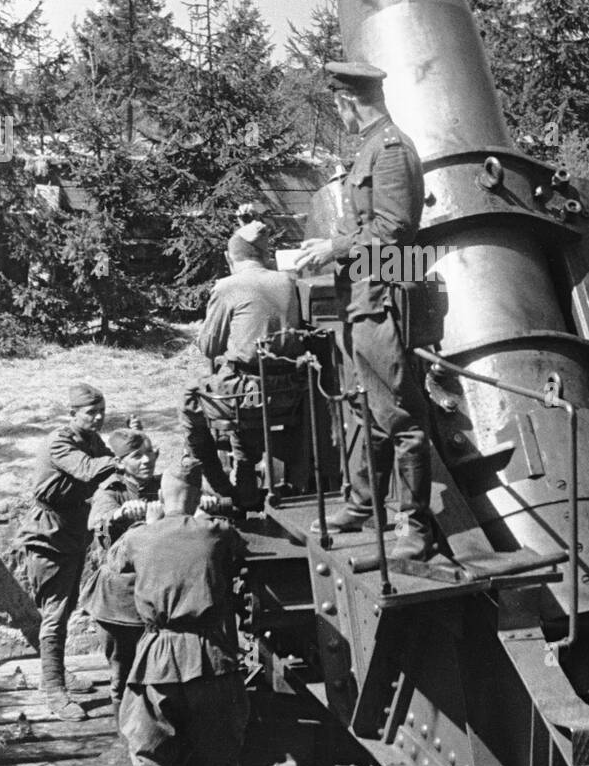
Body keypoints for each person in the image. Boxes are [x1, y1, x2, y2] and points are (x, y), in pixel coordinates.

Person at [295, 60, 434, 560]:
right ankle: (363, 503)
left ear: (348, 101)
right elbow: (367, 226)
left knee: (399, 417)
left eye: (339, 108)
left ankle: (415, 529)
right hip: (363, 298)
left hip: (381, 299)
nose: (341, 118)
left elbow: (395, 232)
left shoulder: (391, 149)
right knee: (367, 408)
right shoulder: (372, 148)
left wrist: (334, 249)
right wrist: (332, 244)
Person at [111, 460, 253, 766]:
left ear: (161, 497)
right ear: (196, 496)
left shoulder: (137, 537)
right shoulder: (215, 531)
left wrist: (145, 522)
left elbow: (113, 563)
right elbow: (240, 550)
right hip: (211, 661)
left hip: (157, 663)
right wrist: (208, 514)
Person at [16, 383, 120, 719]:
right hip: (47, 533)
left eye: (102, 410)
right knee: (55, 614)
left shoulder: (91, 440)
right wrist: (123, 455)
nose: (99, 417)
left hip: (72, 529)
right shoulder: (61, 441)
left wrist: (123, 450)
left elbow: (106, 469)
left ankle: (56, 672)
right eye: (91, 412)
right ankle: (53, 690)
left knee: (66, 607)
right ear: (71, 413)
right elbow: (90, 470)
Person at [182, 221, 303, 508]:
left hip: (245, 393)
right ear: (265, 256)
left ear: (228, 258)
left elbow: (209, 347)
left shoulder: (227, 286)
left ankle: (221, 486)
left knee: (190, 400)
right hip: (289, 391)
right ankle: (246, 473)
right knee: (239, 406)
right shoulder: (287, 281)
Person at [81, 428, 162, 719]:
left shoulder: (162, 486)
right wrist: (120, 515)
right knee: (122, 672)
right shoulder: (111, 491)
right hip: (119, 602)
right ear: (120, 463)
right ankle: (125, 733)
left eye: (149, 453)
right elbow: (98, 521)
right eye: (136, 456)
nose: (145, 461)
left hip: (155, 594)